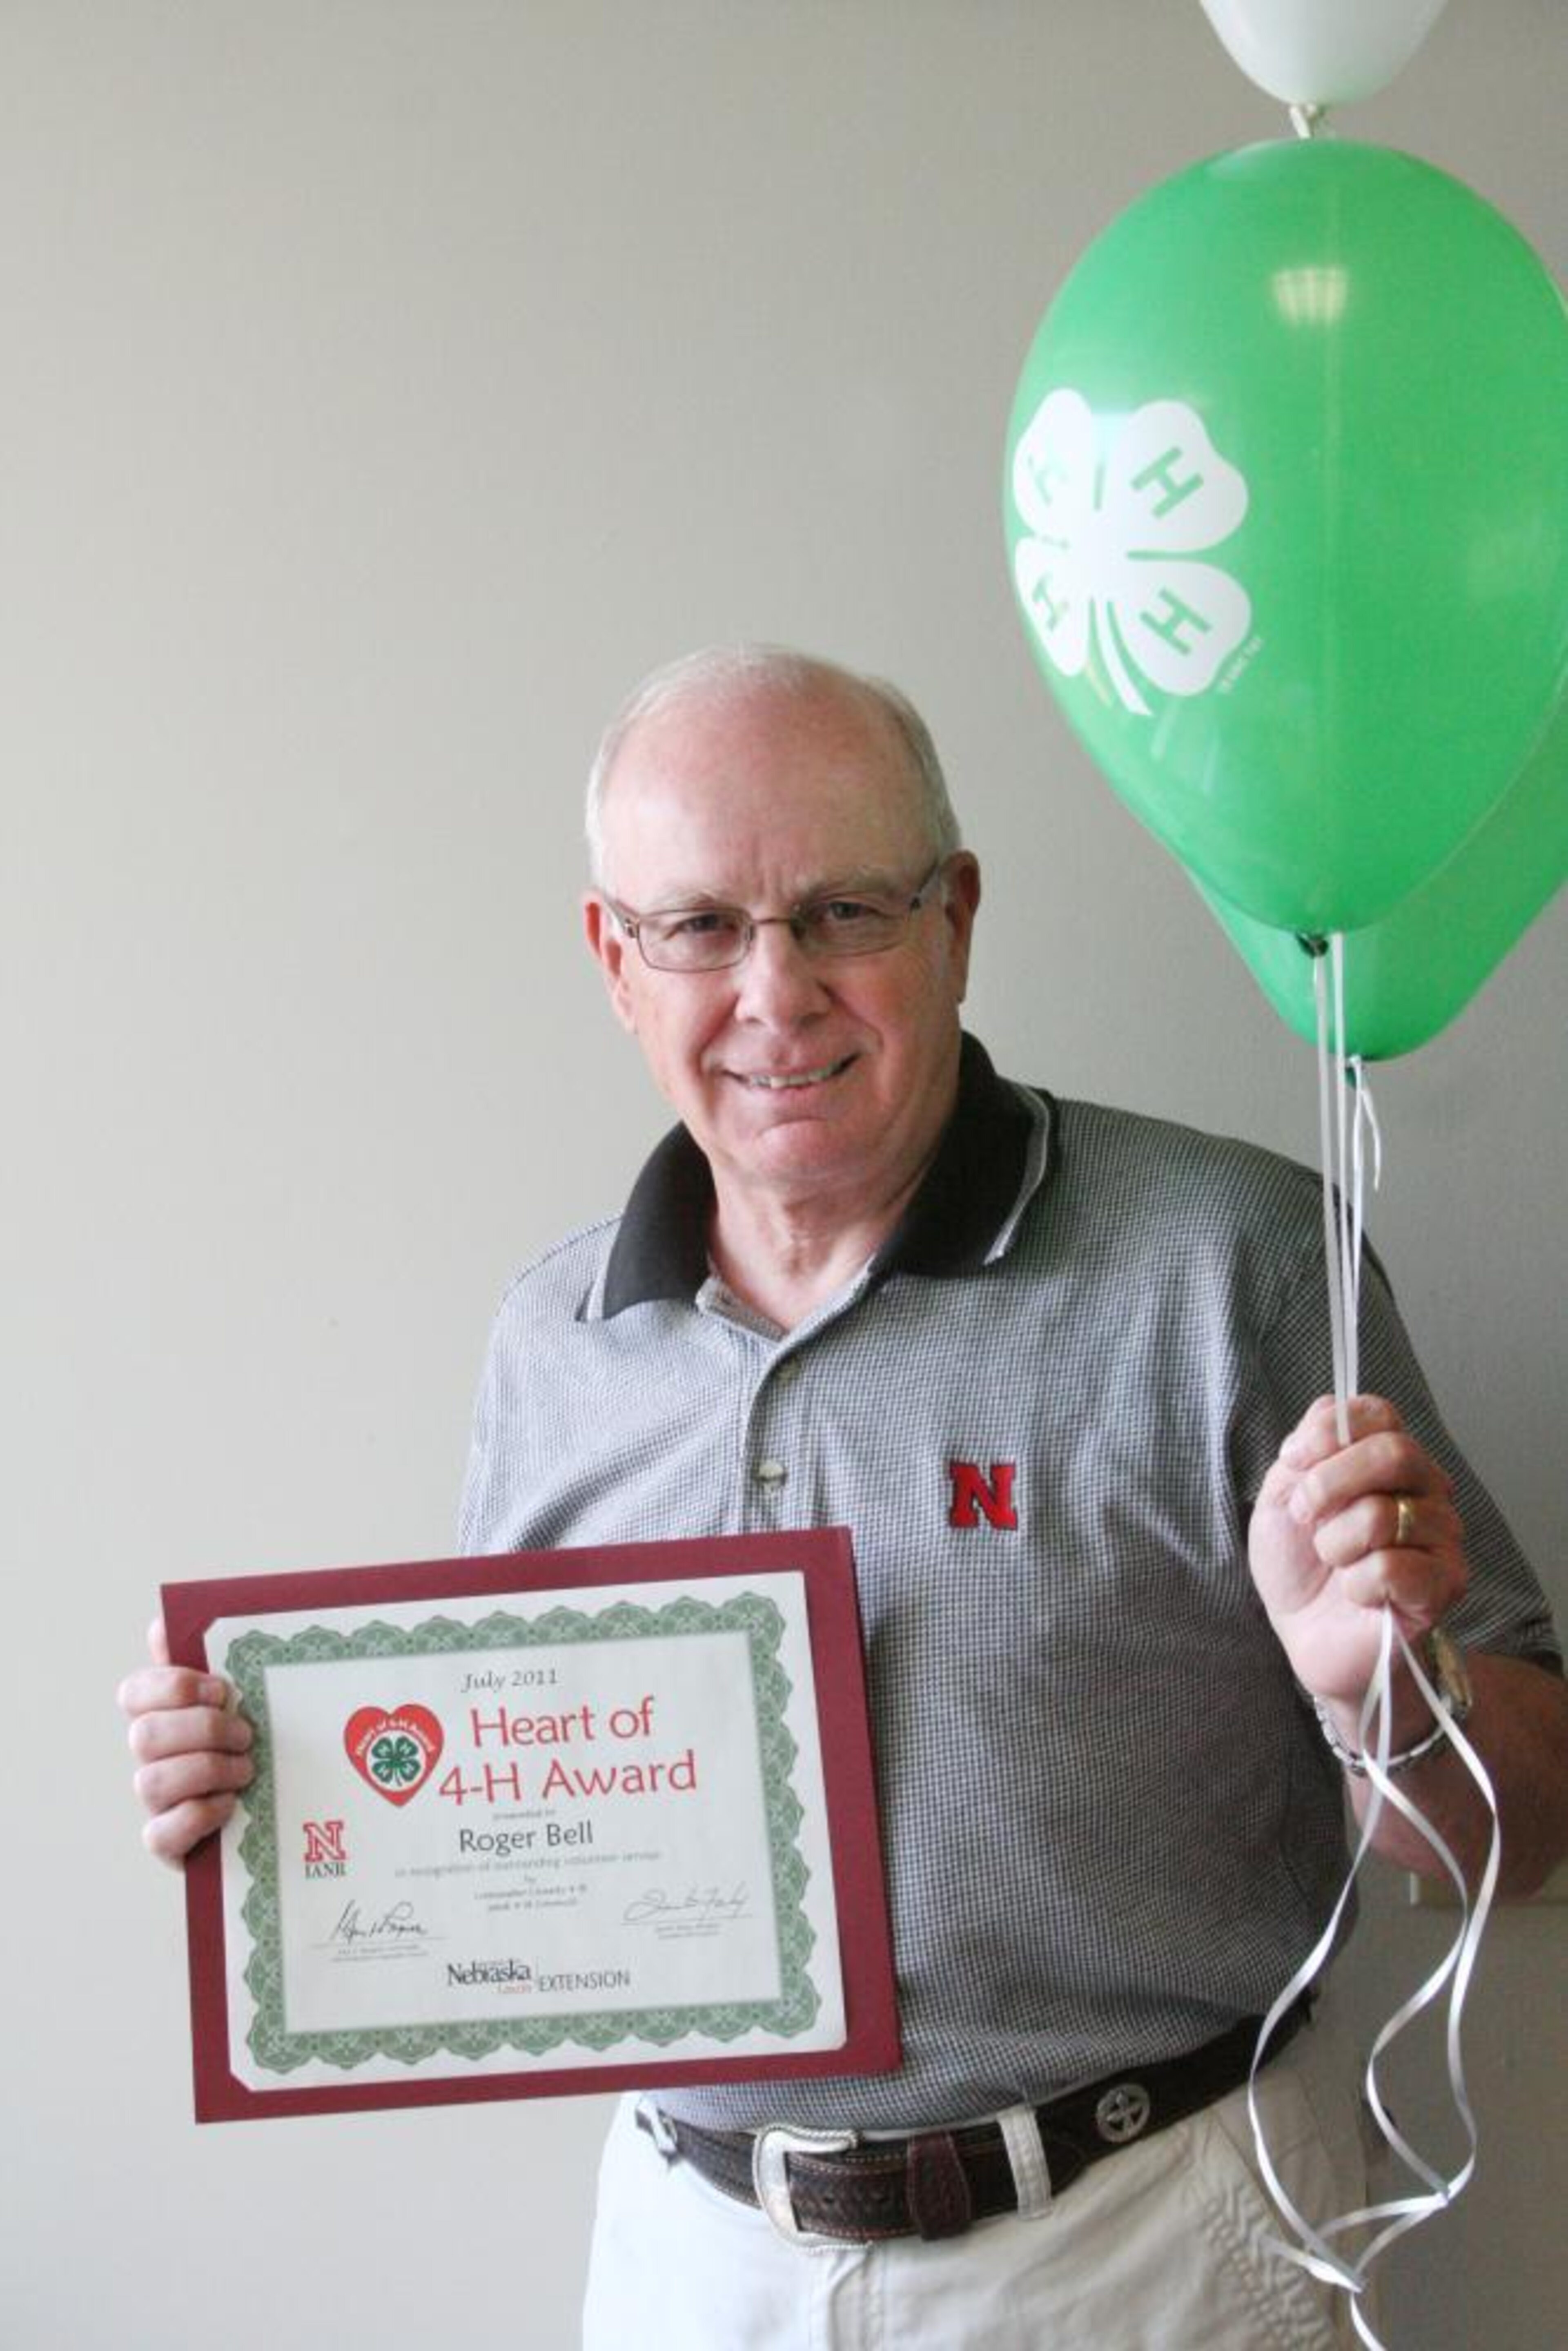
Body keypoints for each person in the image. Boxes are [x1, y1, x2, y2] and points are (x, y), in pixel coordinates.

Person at [120, 646, 1567, 2349]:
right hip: (693, 2262)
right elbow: (499, 1844)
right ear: (615, 959)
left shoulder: (1230, 1260)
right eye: (702, 927)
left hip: (1147, 2251)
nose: (775, 991)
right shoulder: (554, 1343)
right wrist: (280, 1808)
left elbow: (1530, 1825)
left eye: (845, 914)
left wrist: (1382, 1696)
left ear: (955, 917)